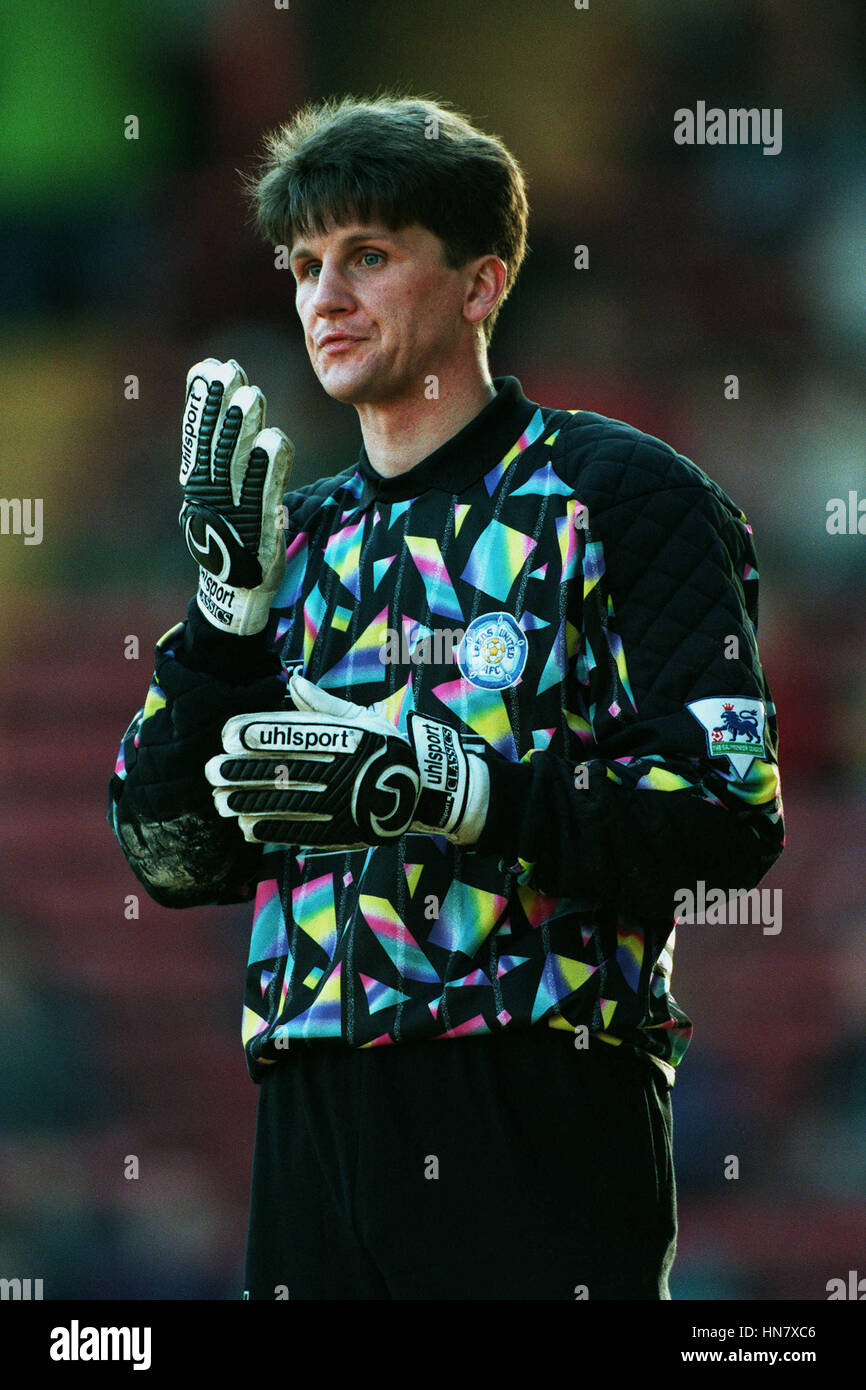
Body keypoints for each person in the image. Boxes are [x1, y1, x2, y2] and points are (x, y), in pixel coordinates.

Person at [107, 92, 784, 1300]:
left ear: (481, 283)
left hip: (537, 1097)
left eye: (368, 255)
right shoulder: (290, 535)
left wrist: (457, 792)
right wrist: (222, 629)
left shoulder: (616, 494)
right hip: (312, 1115)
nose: (324, 295)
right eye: (307, 263)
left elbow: (724, 811)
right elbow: (173, 856)